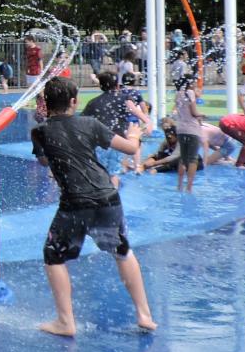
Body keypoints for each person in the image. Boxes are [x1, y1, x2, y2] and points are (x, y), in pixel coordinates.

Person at [31, 76, 156, 337]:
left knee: (54, 256)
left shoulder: (40, 132)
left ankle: (66, 321)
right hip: (107, 198)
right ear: (74, 102)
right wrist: (135, 134)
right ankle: (144, 314)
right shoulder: (89, 124)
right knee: (122, 251)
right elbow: (130, 147)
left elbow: (44, 162)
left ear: (46, 104)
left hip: (74, 204)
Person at [81, 71, 148, 185]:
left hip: (100, 143)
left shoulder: (93, 103)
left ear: (100, 86)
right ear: (117, 85)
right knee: (114, 174)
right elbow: (133, 109)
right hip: (118, 142)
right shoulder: (124, 98)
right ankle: (114, 198)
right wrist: (147, 121)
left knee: (100, 172)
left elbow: (81, 122)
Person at [173, 75, 203, 193]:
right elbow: (194, 112)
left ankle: (179, 185)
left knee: (183, 157)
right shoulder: (190, 92)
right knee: (192, 159)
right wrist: (202, 115)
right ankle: (189, 187)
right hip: (192, 129)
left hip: (180, 129)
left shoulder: (178, 94)